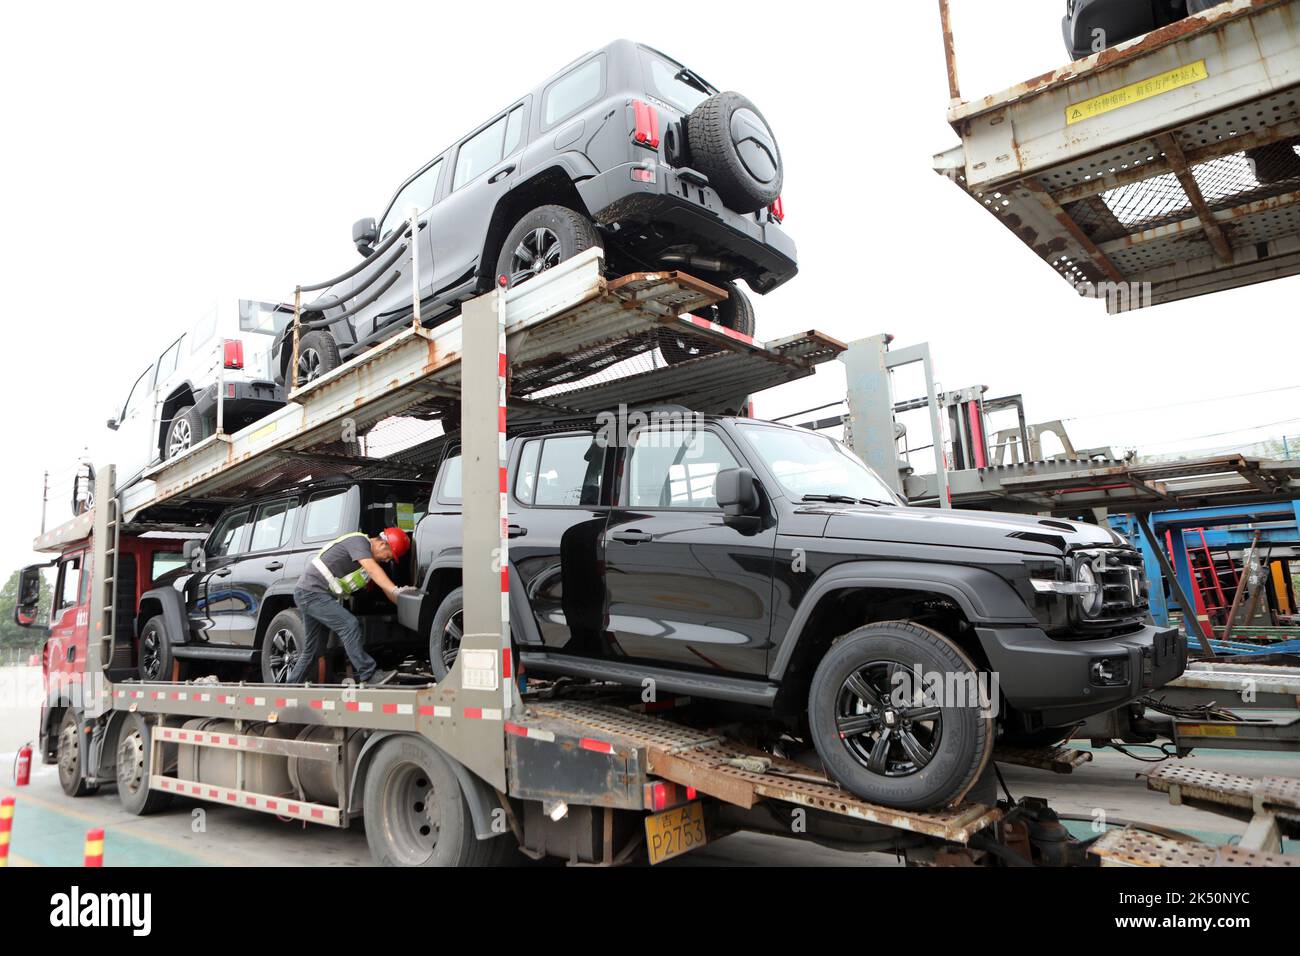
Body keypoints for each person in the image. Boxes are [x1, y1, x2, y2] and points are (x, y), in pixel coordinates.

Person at [287, 527, 411, 685]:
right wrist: (396, 590)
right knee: (349, 624)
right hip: (311, 593)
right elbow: (374, 572)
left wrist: (404, 602)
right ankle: (369, 674)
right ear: (381, 544)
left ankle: (286, 688)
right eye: (389, 556)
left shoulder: (367, 558)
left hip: (312, 594)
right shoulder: (359, 542)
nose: (388, 561)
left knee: (314, 650)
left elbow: (385, 588)